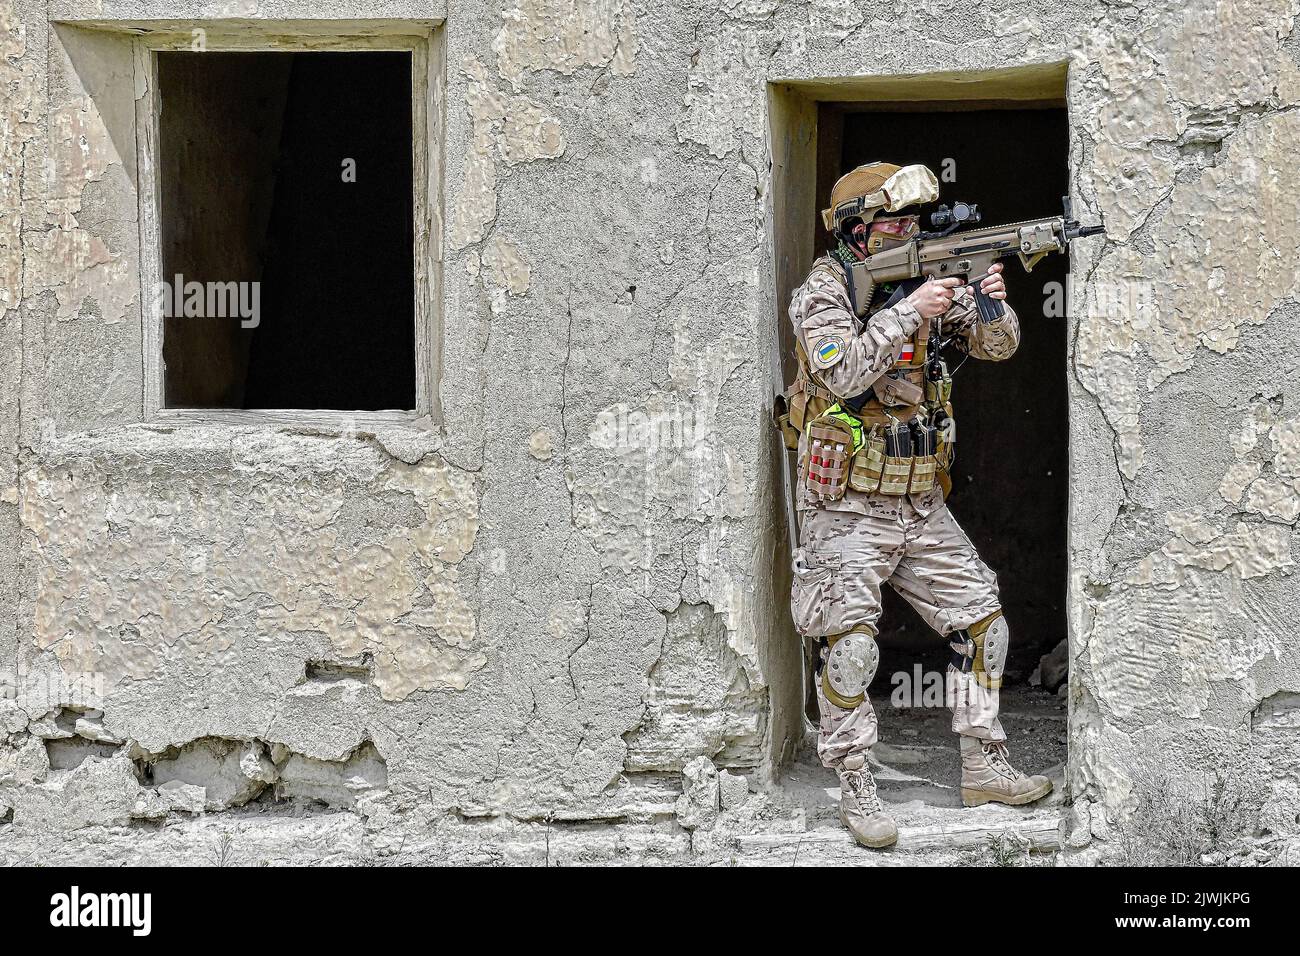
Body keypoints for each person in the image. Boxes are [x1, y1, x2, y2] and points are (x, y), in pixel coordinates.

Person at [784, 161, 1053, 849]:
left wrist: (988, 299)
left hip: (918, 494)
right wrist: (913, 308)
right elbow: (837, 369)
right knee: (849, 651)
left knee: (984, 626)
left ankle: (983, 762)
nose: (909, 232)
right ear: (856, 229)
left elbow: (1000, 347)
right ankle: (854, 782)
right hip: (845, 503)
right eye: (894, 223)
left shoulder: (924, 279)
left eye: (913, 223)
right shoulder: (826, 289)